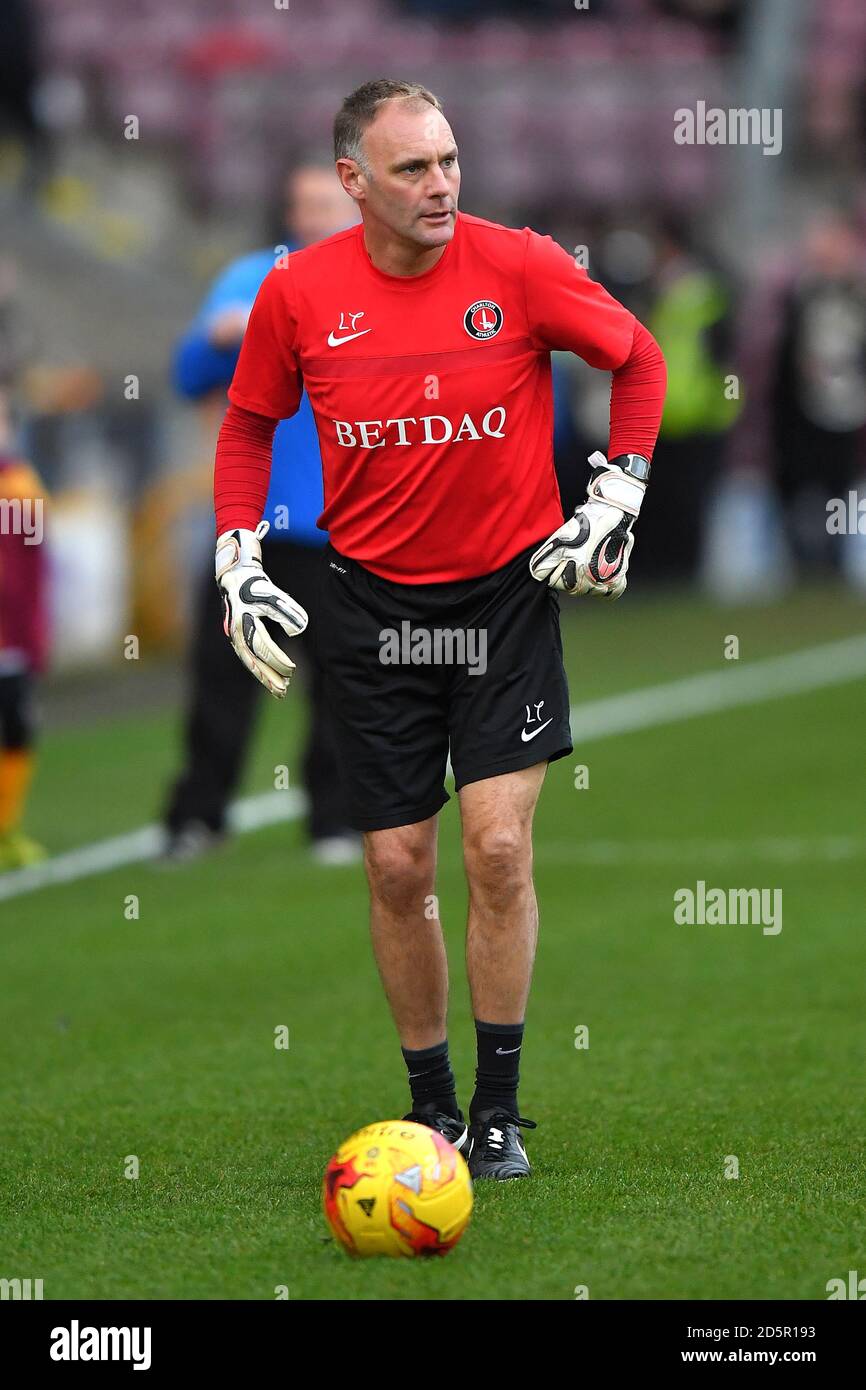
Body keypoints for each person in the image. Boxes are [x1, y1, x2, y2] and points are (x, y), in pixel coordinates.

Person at [212, 80, 666, 1179]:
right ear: (351, 183)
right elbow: (246, 421)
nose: (440, 185)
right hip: (367, 610)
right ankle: (432, 1107)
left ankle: (500, 1113)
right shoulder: (297, 294)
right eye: (412, 168)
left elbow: (636, 359)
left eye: (450, 160)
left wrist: (618, 491)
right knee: (394, 864)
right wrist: (237, 551)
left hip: (503, 600)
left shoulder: (515, 263)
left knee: (496, 847)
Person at [163, 163, 361, 864]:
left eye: (326, 203)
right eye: (301, 202)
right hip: (248, 523)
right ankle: (198, 816)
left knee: (344, 679)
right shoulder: (252, 277)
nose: (311, 217)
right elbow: (186, 375)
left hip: (339, 524)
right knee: (221, 674)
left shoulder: (379, 283)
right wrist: (218, 337)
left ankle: (334, 820)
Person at [0, 392, 48, 871]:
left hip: (8, 640)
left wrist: (33, 636)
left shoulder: (19, 486)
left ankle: (5, 827)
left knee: (16, 726)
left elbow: (32, 571)